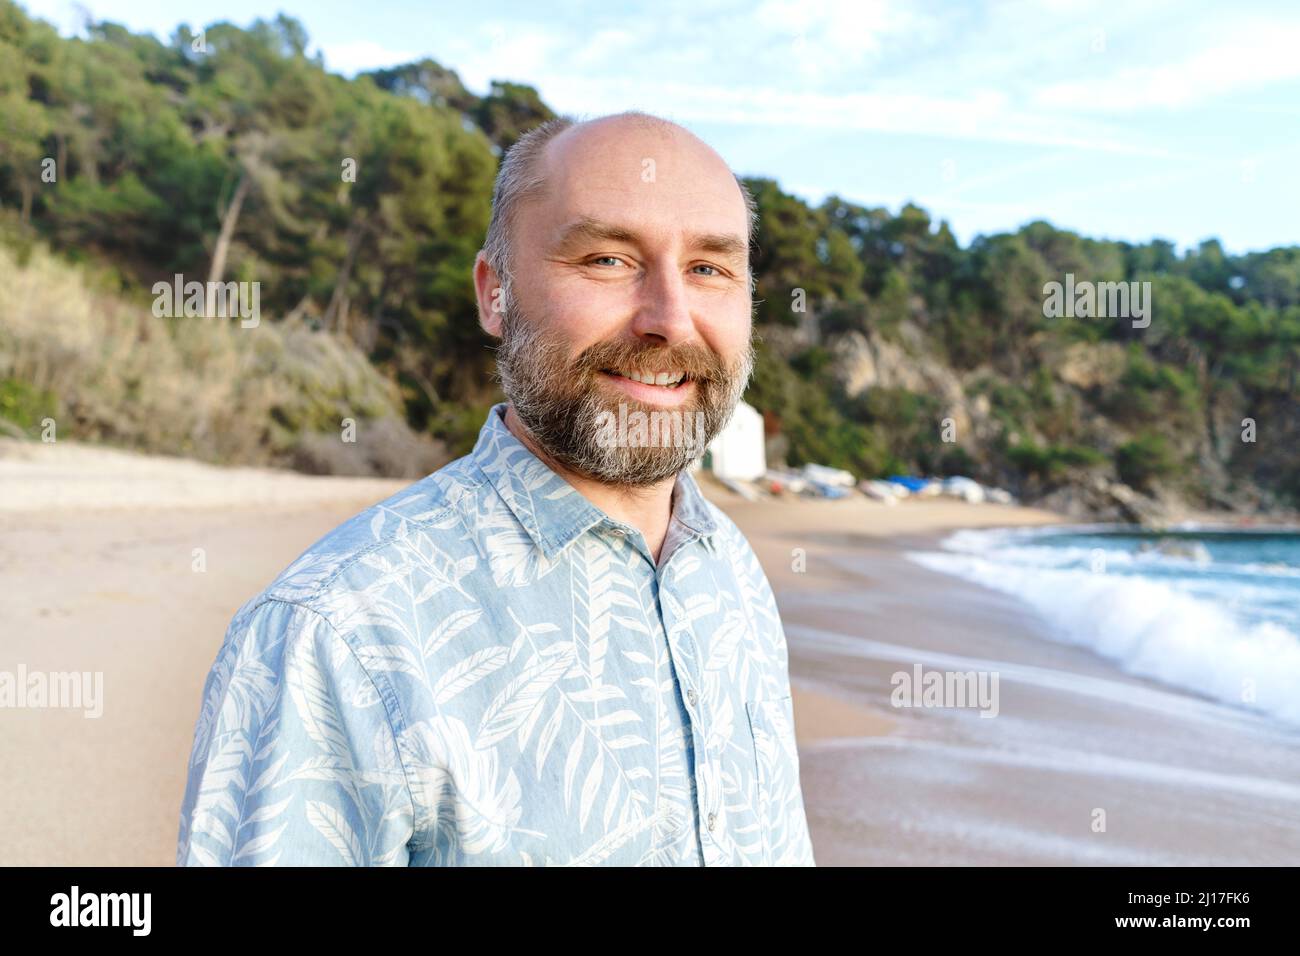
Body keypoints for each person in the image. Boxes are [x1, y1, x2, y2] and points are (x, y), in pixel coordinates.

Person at [176, 110, 816, 866]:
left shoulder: (731, 574)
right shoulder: (334, 633)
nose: (670, 320)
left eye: (709, 269)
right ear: (496, 293)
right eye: (609, 259)